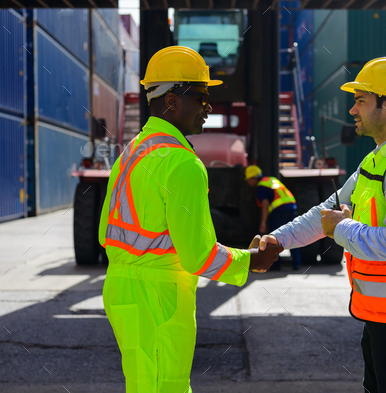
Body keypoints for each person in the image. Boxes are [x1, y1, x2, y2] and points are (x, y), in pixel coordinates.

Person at [98, 46, 283, 393]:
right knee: (165, 387)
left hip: (123, 291)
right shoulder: (183, 165)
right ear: (172, 101)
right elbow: (198, 255)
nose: (208, 107)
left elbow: (105, 233)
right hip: (159, 298)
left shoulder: (131, 152)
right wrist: (252, 261)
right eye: (201, 97)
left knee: (143, 384)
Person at [259, 57, 386, 393]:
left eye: (361, 101)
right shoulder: (376, 159)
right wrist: (279, 240)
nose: (352, 110)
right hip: (385, 314)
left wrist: (342, 228)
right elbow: (325, 212)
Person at [245, 165, 301, 270]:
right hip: (292, 207)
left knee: (274, 237)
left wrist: (263, 223)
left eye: (248, 180)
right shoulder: (271, 180)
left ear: (253, 178)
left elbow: (265, 205)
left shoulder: (260, 187)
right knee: (292, 235)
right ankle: (296, 263)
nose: (248, 182)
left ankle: (275, 265)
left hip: (279, 211)